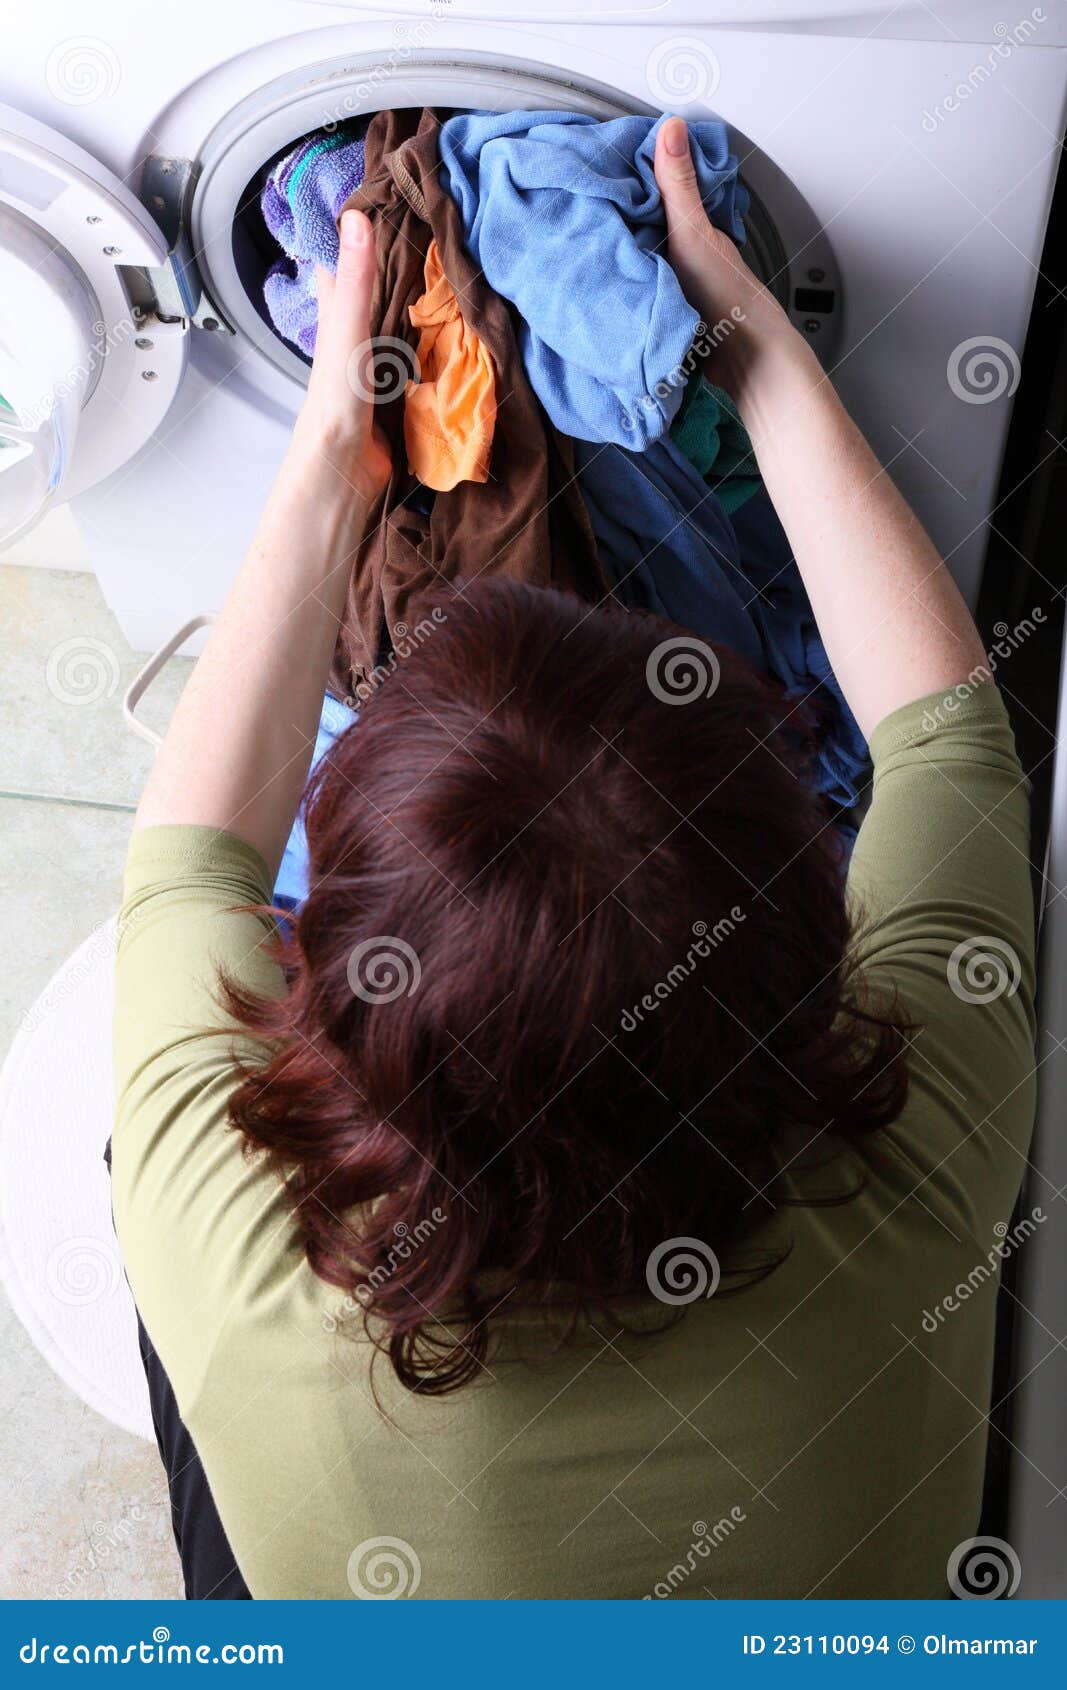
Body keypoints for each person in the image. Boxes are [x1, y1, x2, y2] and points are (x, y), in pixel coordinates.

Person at [110, 117, 1036, 1599]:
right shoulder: (915, 1200)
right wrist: (740, 332)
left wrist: (334, 455)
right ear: (811, 922)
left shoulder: (223, 1232)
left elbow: (191, 868)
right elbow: (947, 742)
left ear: (331, 972)